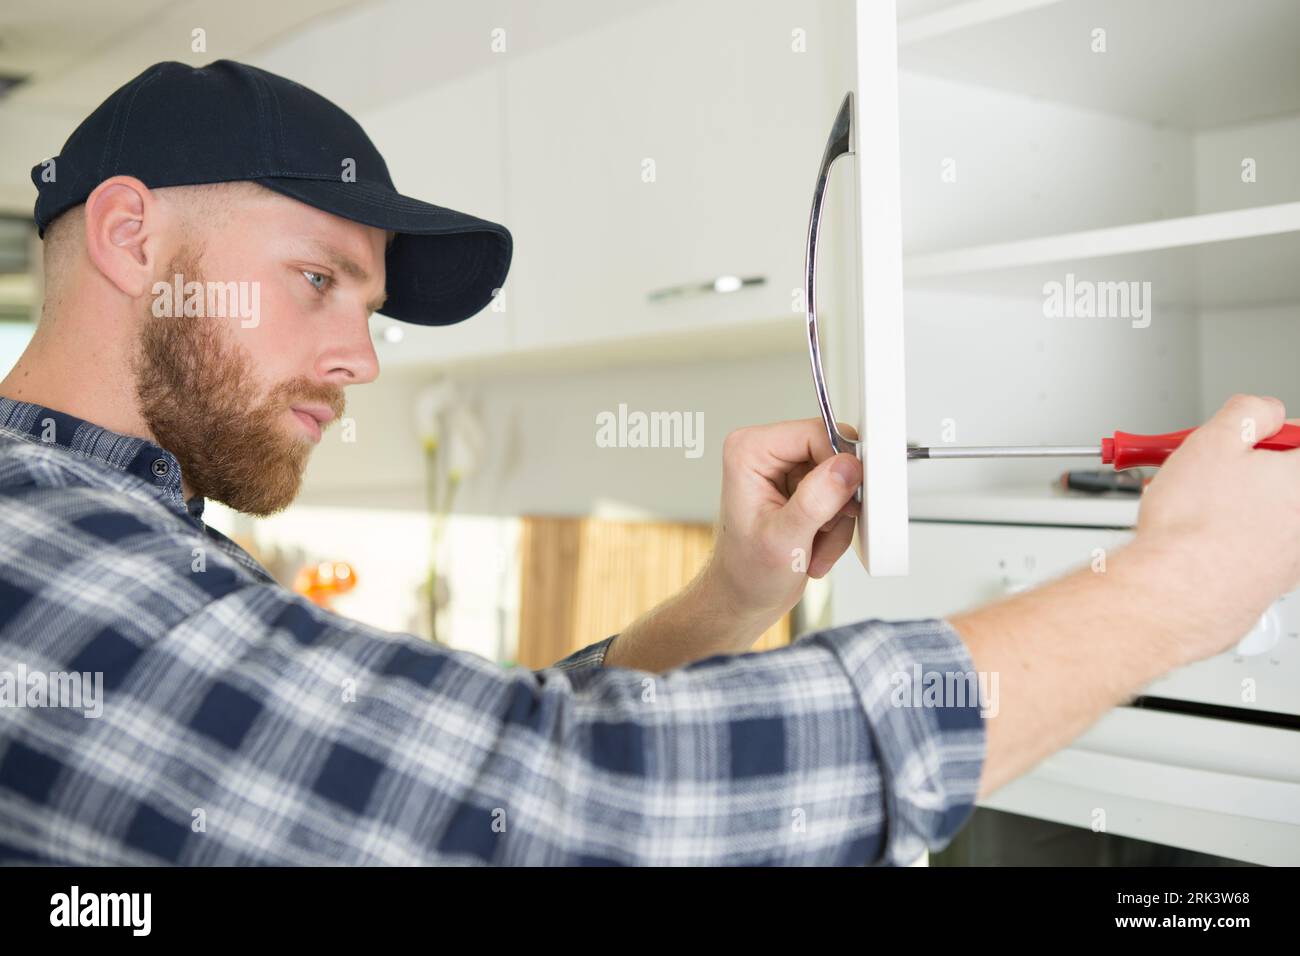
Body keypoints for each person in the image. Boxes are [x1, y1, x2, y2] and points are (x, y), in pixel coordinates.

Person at [2, 60, 1298, 866]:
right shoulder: (44, 565)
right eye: (319, 279)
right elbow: (573, 814)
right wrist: (1171, 592)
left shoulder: (123, 533)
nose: (363, 358)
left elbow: (463, 768)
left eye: (369, 305)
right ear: (128, 234)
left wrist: (731, 598)